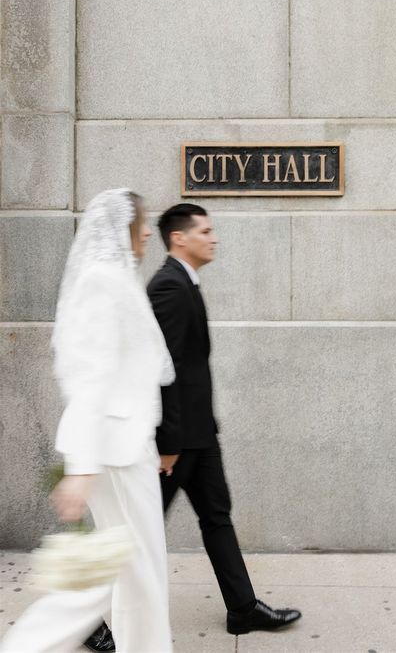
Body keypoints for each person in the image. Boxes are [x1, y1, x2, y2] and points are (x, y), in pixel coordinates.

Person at [85, 203, 301, 652]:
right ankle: (86, 618)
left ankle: (242, 607)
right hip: (177, 443)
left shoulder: (185, 283)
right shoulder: (168, 287)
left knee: (216, 516)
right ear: (179, 238)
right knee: (132, 534)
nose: (214, 237)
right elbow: (162, 371)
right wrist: (169, 442)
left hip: (199, 435)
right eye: (206, 230)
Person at [1, 189, 174, 653]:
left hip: (125, 444)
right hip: (110, 449)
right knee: (122, 576)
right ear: (122, 227)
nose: (145, 235)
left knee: (131, 574)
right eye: (141, 226)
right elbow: (90, 375)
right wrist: (80, 467)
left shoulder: (118, 277)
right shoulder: (104, 280)